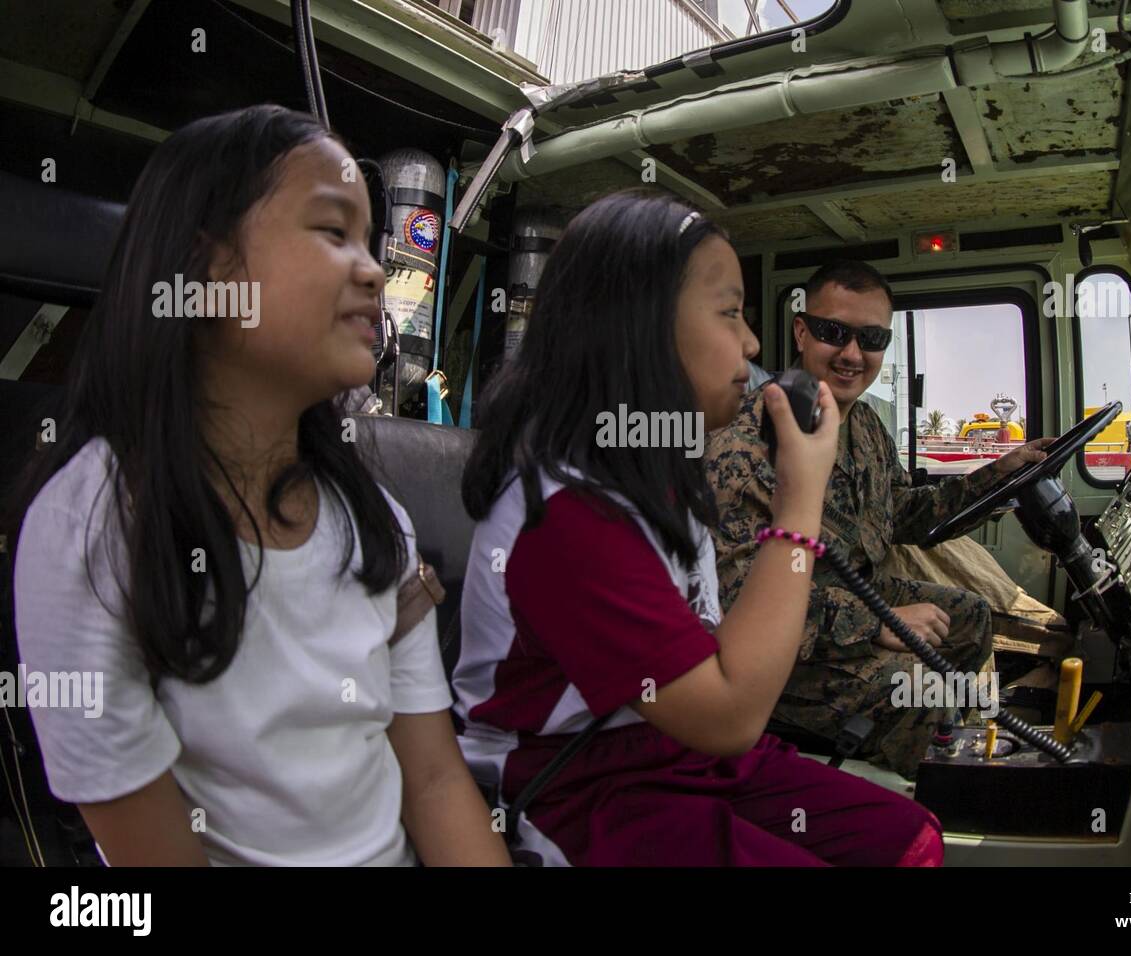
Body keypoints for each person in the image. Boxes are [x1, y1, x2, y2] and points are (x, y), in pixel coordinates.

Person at [8, 105, 509, 866]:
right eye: (331, 233)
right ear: (211, 267)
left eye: (370, 241)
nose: (374, 269)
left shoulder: (375, 523)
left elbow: (436, 782)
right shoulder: (93, 525)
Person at [455, 190, 943, 866]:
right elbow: (730, 715)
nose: (750, 341)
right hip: (584, 781)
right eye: (730, 312)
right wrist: (800, 502)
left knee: (912, 842)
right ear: (642, 326)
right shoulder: (566, 512)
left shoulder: (658, 471)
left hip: (681, 752)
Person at [707, 260, 1053, 777]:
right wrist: (876, 624)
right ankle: (910, 788)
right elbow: (732, 599)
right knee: (919, 687)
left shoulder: (865, 424)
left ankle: (924, 749)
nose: (852, 354)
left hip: (862, 599)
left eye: (871, 338)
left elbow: (905, 514)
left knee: (970, 616)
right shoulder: (746, 441)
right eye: (833, 333)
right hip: (785, 651)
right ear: (802, 332)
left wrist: (998, 474)